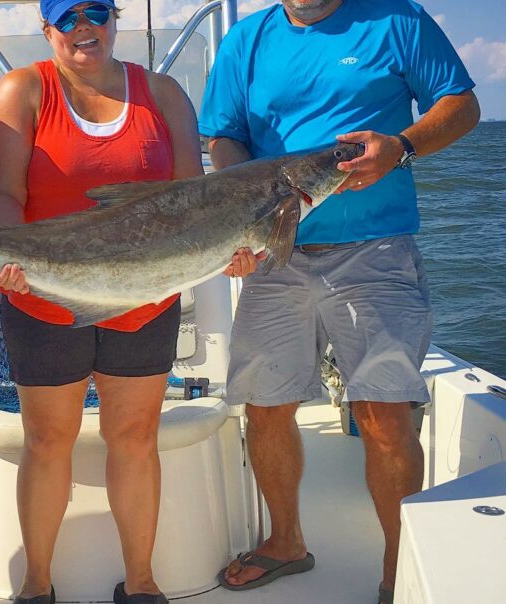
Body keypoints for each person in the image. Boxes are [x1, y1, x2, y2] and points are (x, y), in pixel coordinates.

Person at [199, 1, 480, 602]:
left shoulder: (396, 19)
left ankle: (399, 569)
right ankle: (285, 542)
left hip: (376, 250)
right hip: (275, 256)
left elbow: (461, 104)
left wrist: (401, 146)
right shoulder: (246, 39)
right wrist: (248, 210)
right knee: (265, 406)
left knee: (384, 414)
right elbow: (224, 136)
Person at [0, 1, 257, 602]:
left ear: (114, 20)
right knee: (47, 440)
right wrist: (10, 261)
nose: (84, 27)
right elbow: (1, 193)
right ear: (47, 29)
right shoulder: (21, 91)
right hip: (44, 299)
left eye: (96, 12)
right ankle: (36, 584)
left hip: (146, 298)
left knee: (134, 436)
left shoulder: (163, 94)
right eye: (67, 17)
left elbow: (194, 204)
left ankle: (142, 582)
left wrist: (230, 250)